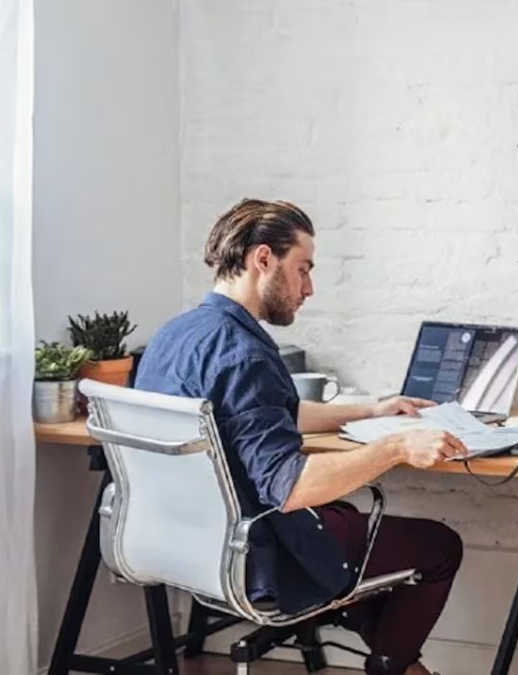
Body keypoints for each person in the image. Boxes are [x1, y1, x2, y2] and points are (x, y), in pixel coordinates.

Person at [134, 198, 467, 675]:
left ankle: (399, 663)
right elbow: (289, 487)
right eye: (303, 269)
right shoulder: (245, 355)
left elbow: (273, 413)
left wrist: (372, 410)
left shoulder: (178, 334)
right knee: (439, 546)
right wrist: (396, 446)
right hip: (257, 552)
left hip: (187, 544)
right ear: (263, 259)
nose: (309, 288)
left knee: (346, 527)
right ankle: (393, 666)